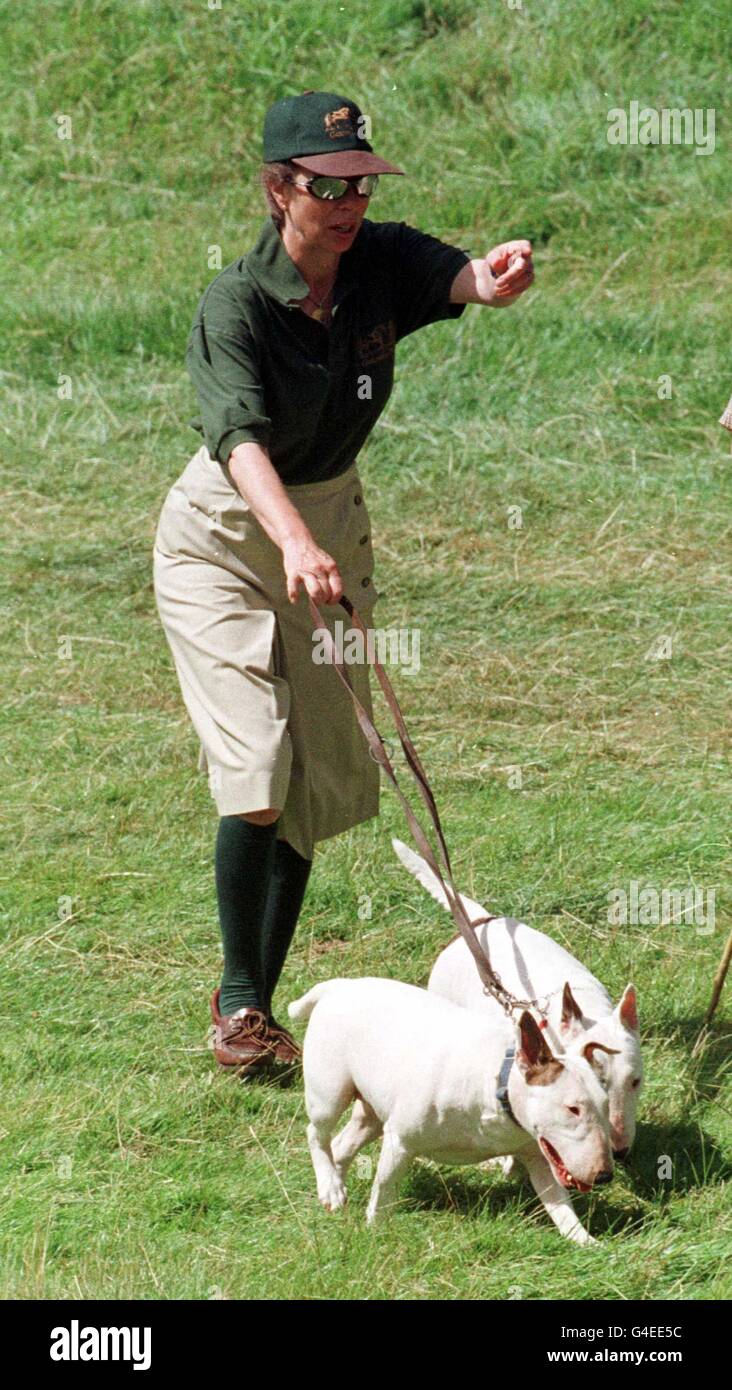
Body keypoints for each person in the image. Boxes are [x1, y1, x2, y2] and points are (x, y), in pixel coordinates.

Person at [152, 90, 534, 1079]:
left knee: (321, 777)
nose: (351, 203)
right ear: (280, 189)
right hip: (228, 536)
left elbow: (461, 281)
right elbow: (236, 439)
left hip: (328, 524)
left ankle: (259, 1011)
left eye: (363, 182)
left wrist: (494, 280)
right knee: (259, 763)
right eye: (331, 187)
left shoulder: (381, 261)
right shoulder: (235, 302)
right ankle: (239, 1002)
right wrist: (288, 539)